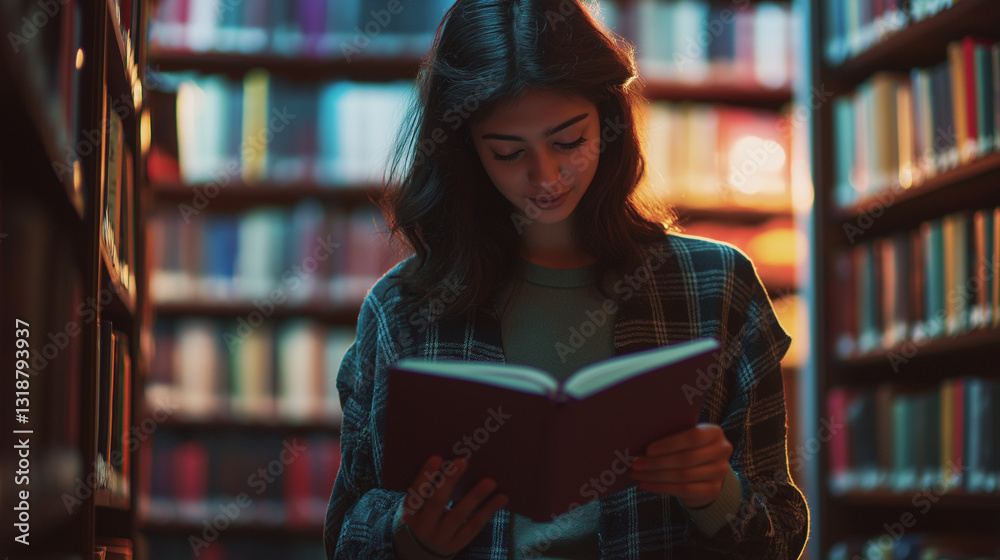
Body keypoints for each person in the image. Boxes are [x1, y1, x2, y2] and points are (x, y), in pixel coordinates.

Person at [323, 0, 809, 558]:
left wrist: (715, 494)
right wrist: (406, 534)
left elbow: (783, 533)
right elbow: (345, 534)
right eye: (508, 153)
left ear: (608, 120)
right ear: (465, 150)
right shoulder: (402, 307)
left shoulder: (718, 285)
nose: (546, 176)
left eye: (569, 142)